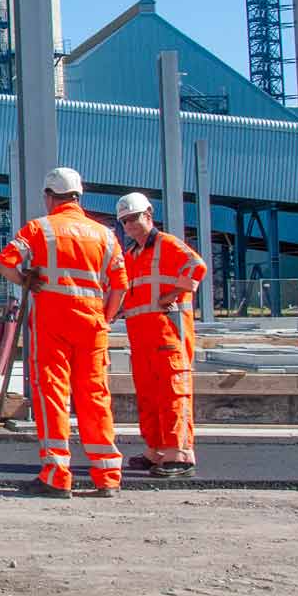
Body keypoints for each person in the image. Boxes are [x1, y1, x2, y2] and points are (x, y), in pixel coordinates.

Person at [0, 167, 128, 498]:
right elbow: (120, 285)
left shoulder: (40, 228)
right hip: (93, 325)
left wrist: (24, 280)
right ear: (78, 196)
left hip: (53, 324)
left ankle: (56, 475)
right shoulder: (105, 234)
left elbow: (5, 262)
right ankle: (108, 475)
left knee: (52, 394)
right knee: (95, 397)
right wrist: (105, 318)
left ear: (50, 196)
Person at [115, 192, 205, 479]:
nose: (129, 225)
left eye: (133, 218)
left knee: (171, 392)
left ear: (148, 215)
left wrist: (174, 294)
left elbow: (196, 266)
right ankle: (156, 448)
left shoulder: (167, 244)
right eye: (124, 221)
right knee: (149, 395)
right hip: (142, 337)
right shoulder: (131, 255)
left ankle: (179, 452)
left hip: (168, 335)